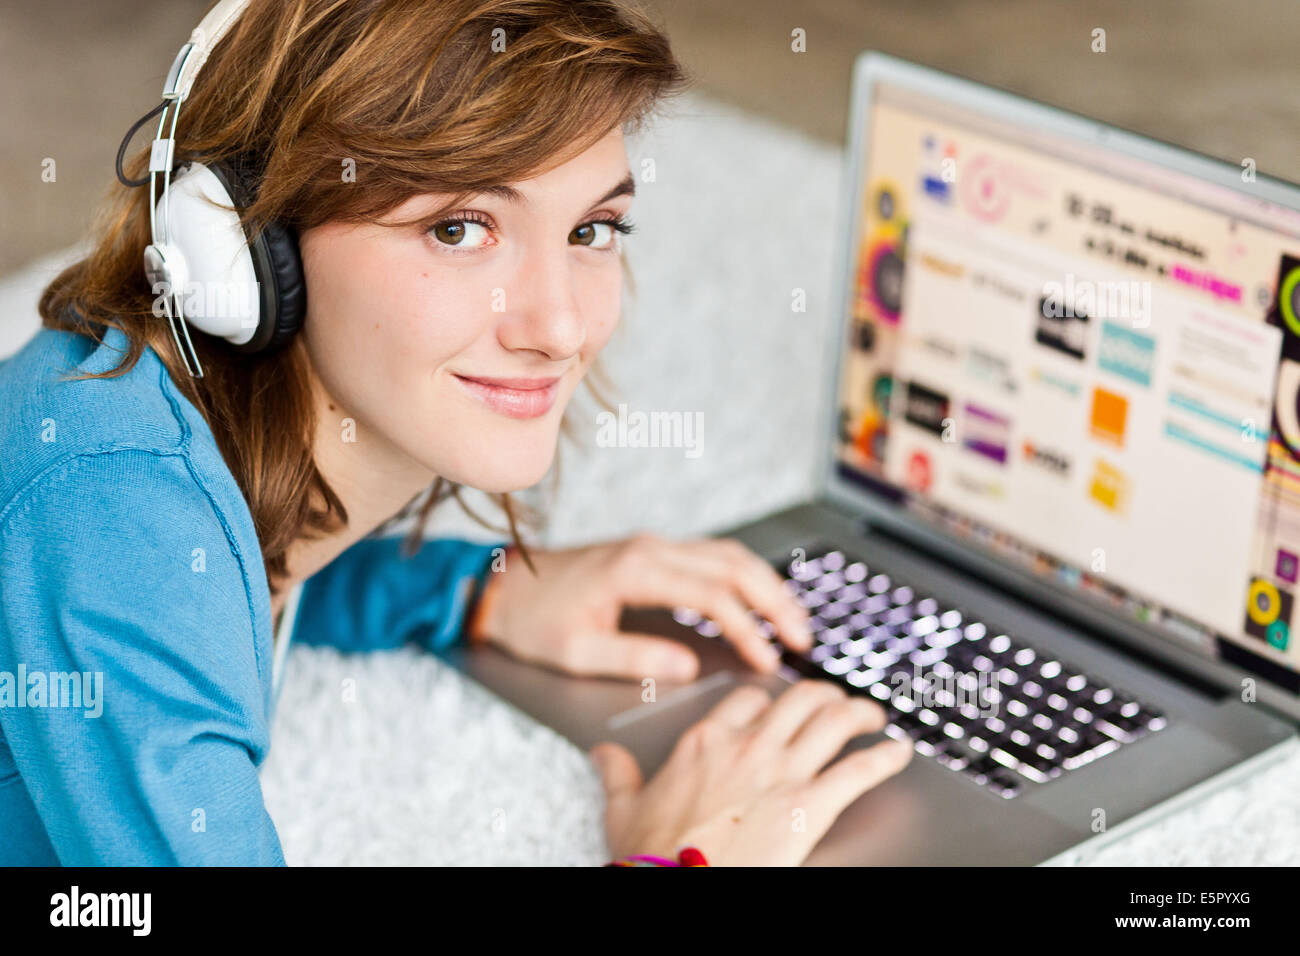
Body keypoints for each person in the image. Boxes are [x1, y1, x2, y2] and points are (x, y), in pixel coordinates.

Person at [0, 0, 910, 867]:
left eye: (593, 227)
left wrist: (475, 594)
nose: (557, 327)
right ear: (241, 249)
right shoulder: (115, 518)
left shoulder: (151, 441)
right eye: (460, 227)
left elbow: (240, 565)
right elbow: (154, 584)